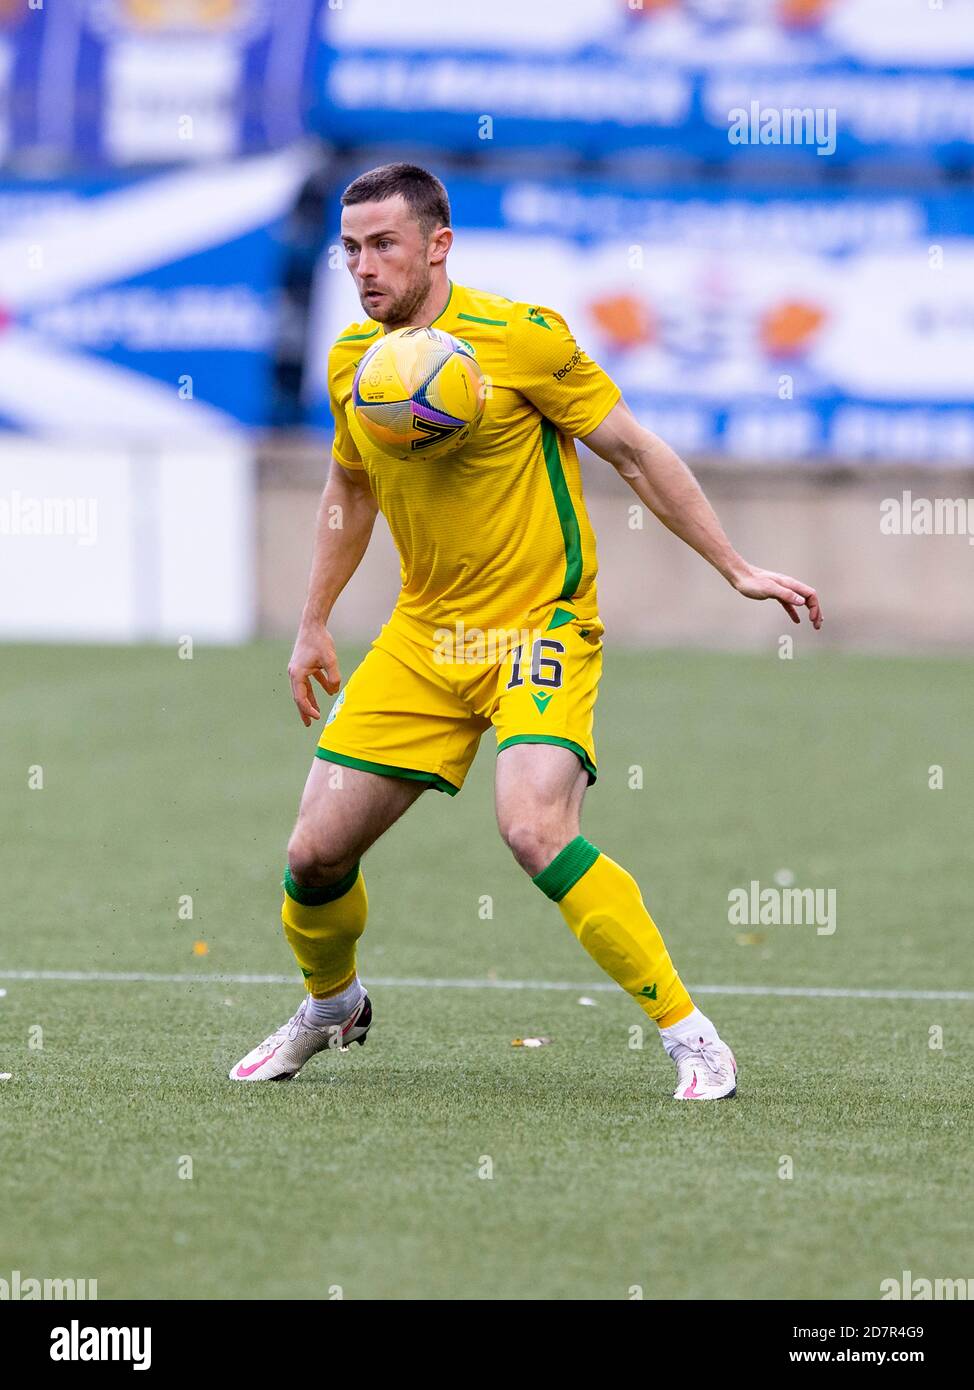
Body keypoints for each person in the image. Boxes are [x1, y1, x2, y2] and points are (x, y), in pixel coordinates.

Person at [230, 163, 822, 1097]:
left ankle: (689, 1032)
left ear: (439, 244)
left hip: (540, 624)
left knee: (534, 827)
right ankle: (331, 1003)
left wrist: (735, 566)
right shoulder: (353, 360)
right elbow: (348, 489)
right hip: (426, 636)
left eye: (384, 244)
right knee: (312, 856)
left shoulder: (523, 337)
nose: (363, 267)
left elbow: (631, 448)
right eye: (350, 249)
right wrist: (311, 621)